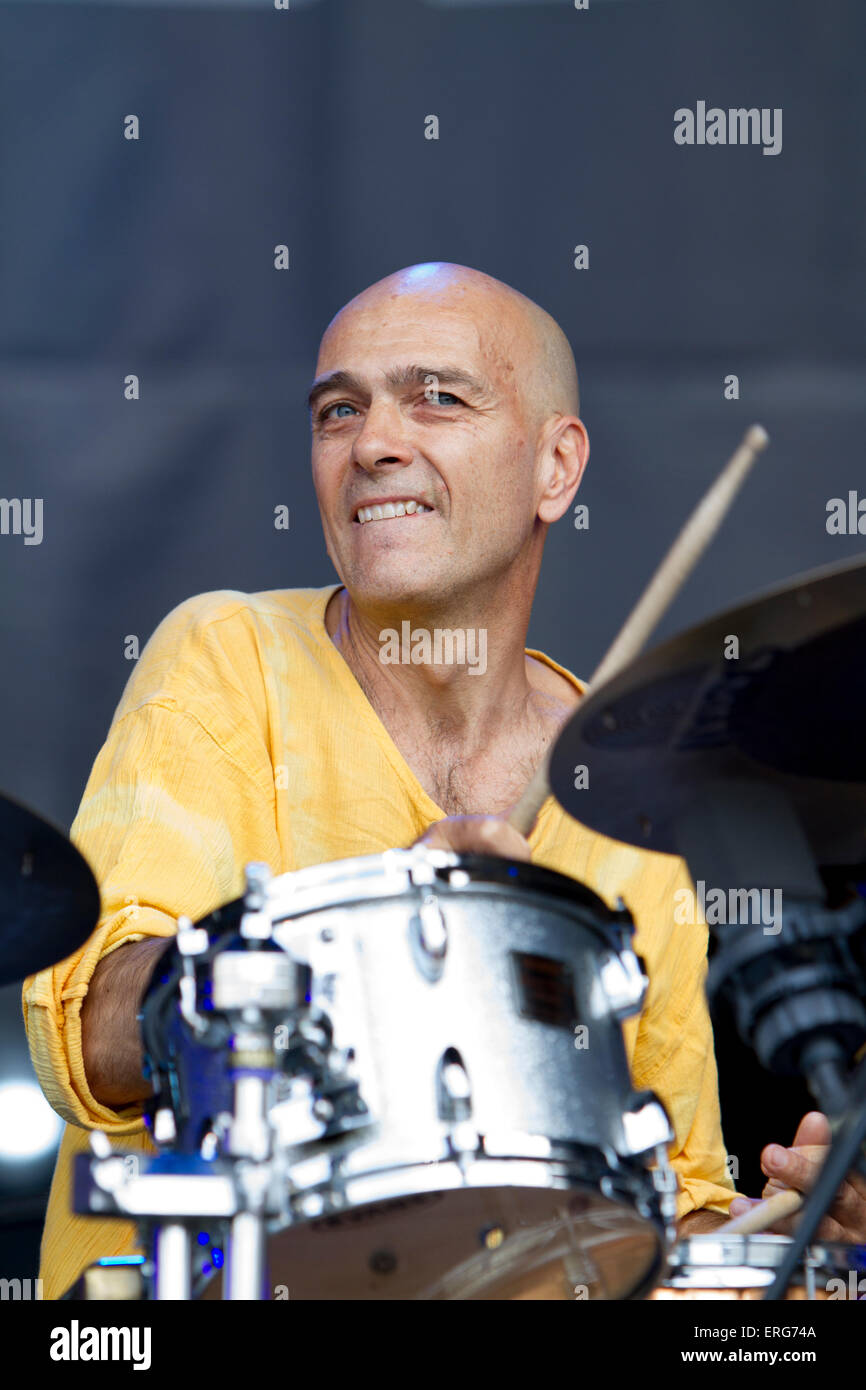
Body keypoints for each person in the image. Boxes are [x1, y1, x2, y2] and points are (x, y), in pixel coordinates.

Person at [22, 262, 863, 1301]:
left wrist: (793, 1241)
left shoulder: (631, 792)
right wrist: (373, 943)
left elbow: (656, 1209)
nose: (372, 443)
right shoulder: (226, 653)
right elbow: (92, 1032)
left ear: (555, 467)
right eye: (339, 409)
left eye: (438, 396)